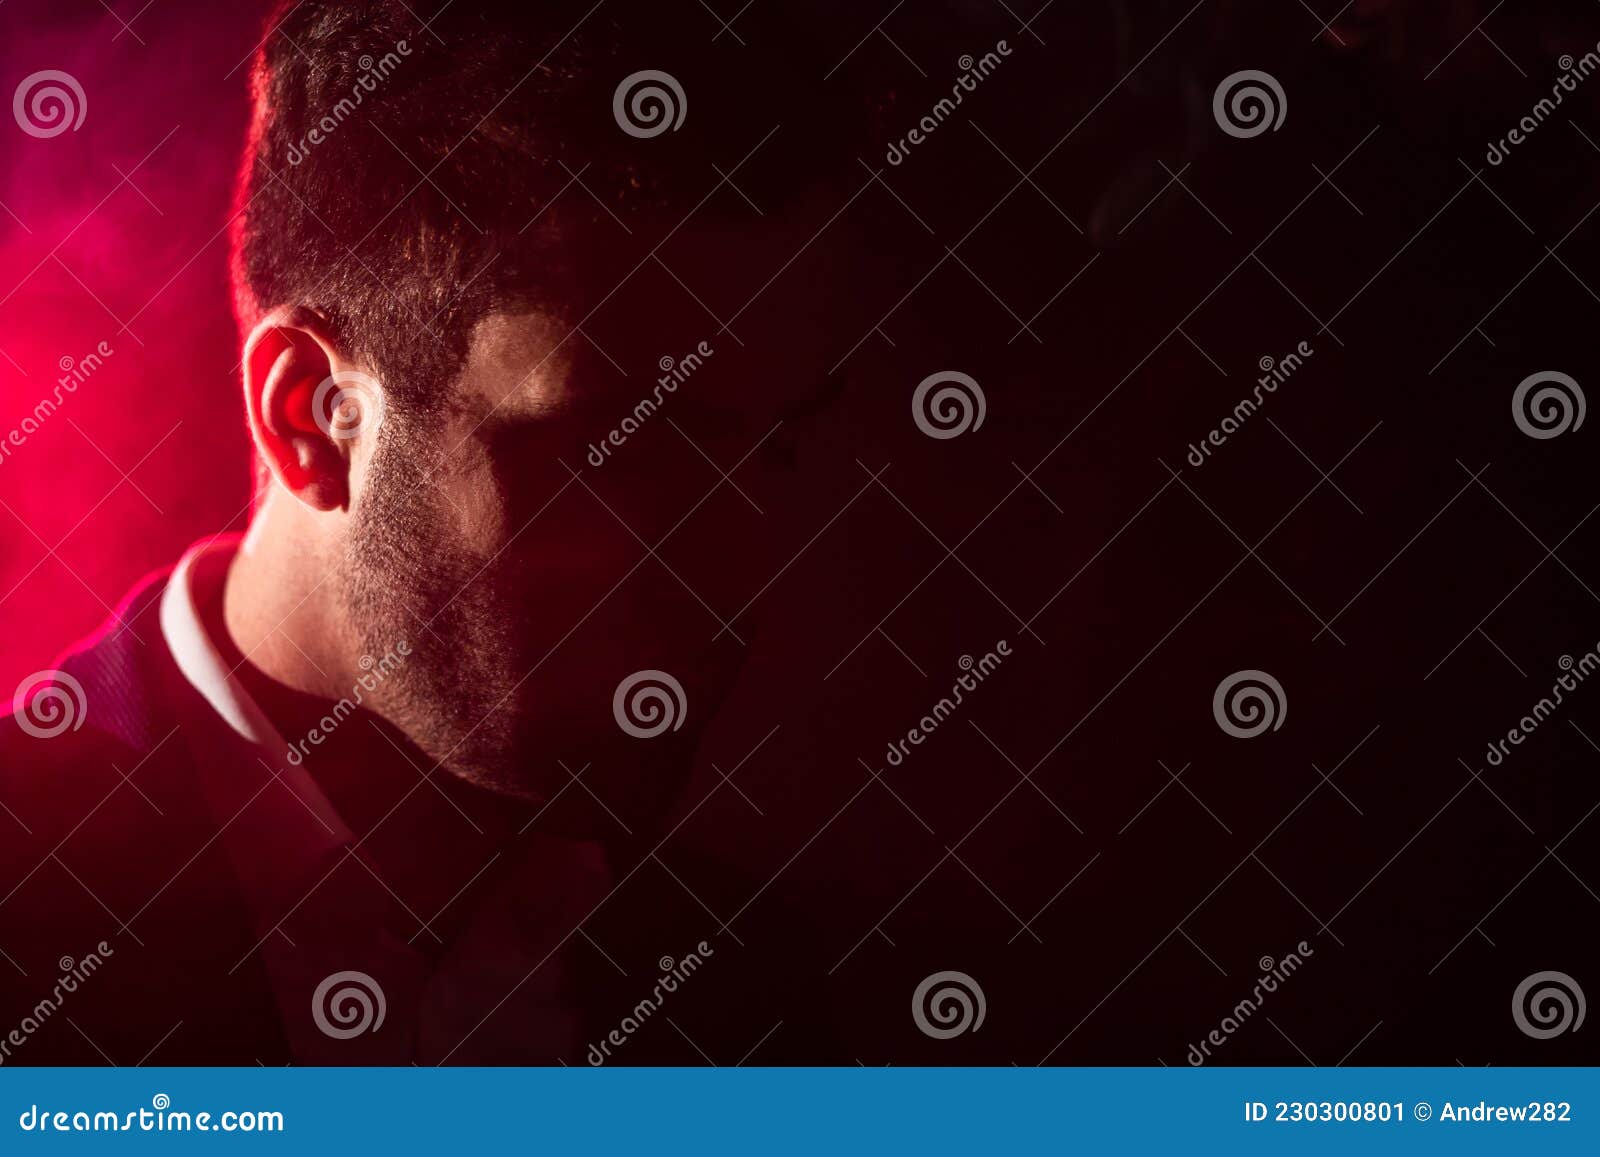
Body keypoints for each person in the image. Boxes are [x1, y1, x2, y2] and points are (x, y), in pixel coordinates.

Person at [0, 0, 886, 1064]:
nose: (740, 567)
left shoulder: (753, 995)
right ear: (309, 418)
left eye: (779, 446)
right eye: (623, 451)